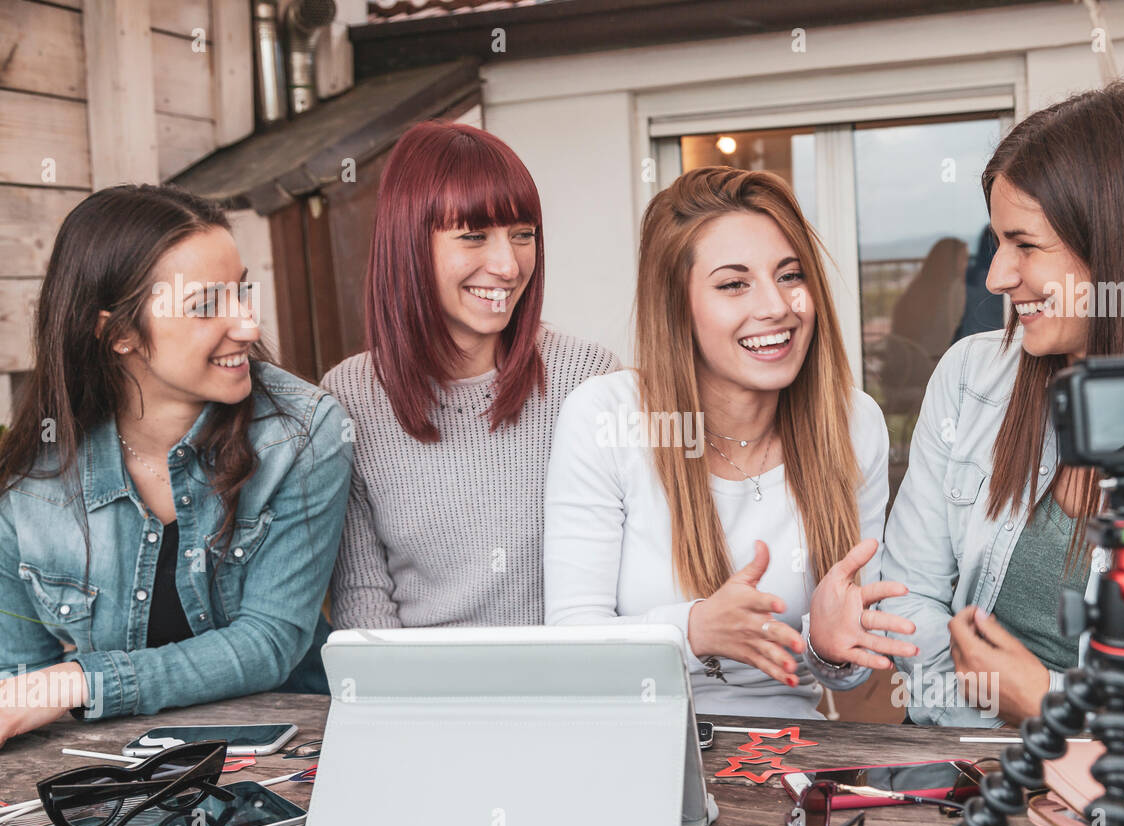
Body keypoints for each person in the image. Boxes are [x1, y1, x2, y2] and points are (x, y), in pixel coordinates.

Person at [807, 82, 1124, 733]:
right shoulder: (970, 379)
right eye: (996, 241)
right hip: (962, 768)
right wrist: (975, 699)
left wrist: (1052, 705)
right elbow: (911, 603)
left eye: (1025, 245)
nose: (996, 277)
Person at [545, 166, 917, 720]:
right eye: (733, 284)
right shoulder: (606, 417)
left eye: (790, 275)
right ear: (678, 307)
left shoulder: (851, 422)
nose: (777, 306)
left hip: (786, 747)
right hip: (638, 734)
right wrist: (692, 629)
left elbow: (842, 670)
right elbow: (570, 651)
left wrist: (829, 647)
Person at [0, 185, 352, 747]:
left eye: (241, 292)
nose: (248, 327)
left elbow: (270, 643)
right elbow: (15, 687)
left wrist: (79, 681)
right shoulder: (29, 480)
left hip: (290, 751)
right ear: (119, 333)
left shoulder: (302, 434)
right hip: (108, 769)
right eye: (206, 305)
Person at [323, 122, 619, 630]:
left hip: (574, 687)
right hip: (424, 698)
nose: (507, 265)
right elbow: (364, 604)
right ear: (408, 244)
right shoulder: (348, 398)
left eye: (523, 235)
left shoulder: (589, 379)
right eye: (474, 237)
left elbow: (623, 589)